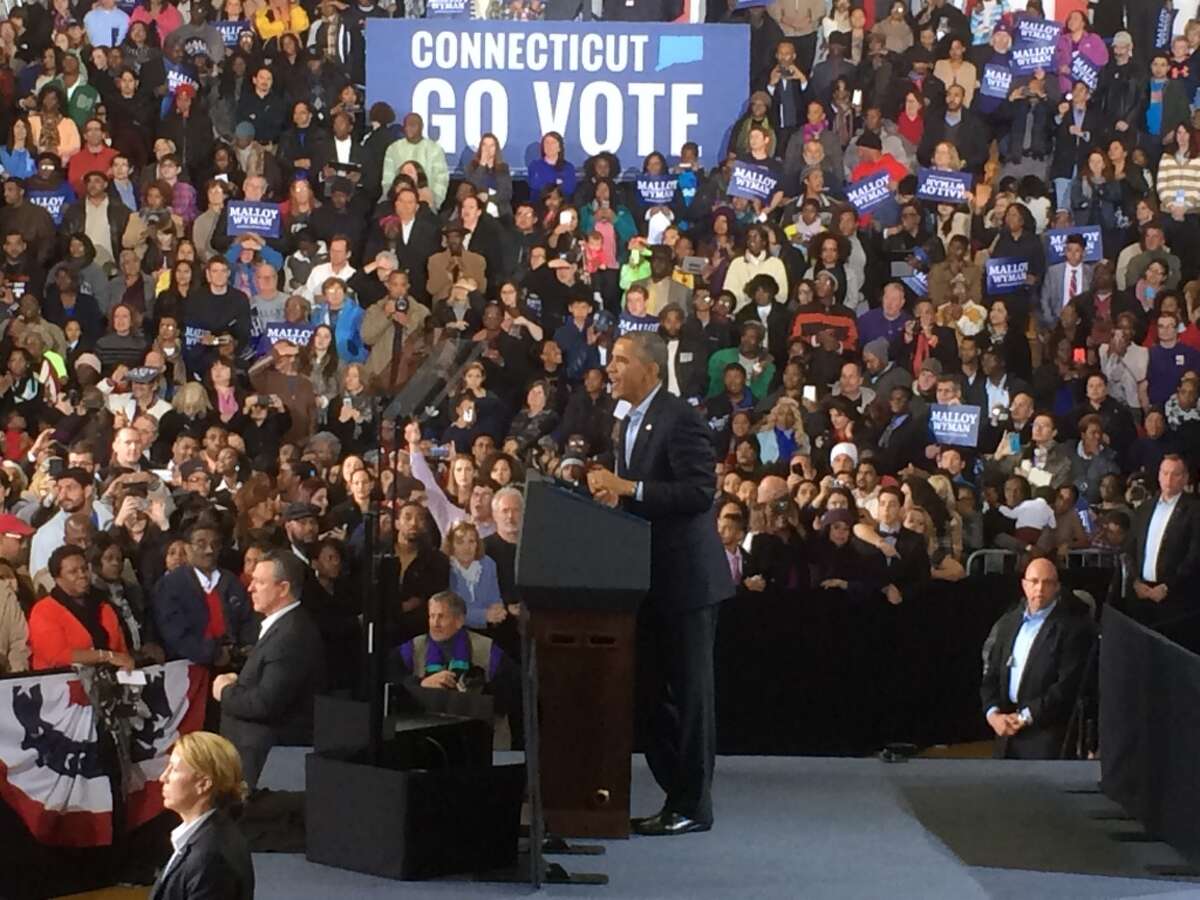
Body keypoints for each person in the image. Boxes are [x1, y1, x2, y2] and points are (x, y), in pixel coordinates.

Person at [586, 332, 732, 835]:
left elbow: (699, 491)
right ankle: (677, 794)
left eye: (621, 361)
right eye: (611, 361)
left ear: (650, 370)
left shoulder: (679, 417)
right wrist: (615, 499)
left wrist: (628, 487)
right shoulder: (623, 418)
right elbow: (641, 498)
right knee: (648, 695)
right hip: (647, 580)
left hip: (688, 581)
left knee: (691, 699)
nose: (612, 369)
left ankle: (694, 805)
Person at [213, 550, 326, 791]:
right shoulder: (283, 627)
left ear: (283, 588)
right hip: (256, 758)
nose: (250, 588)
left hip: (268, 766)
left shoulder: (292, 635)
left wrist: (225, 691)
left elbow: (266, 703)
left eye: (260, 582)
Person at [980, 557, 1095, 759]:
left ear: (1057, 587)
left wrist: (1024, 717)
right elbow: (991, 674)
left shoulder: (1072, 629)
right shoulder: (1008, 623)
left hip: (1044, 737)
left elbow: (1065, 687)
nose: (1040, 589)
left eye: (1047, 582)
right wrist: (993, 714)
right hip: (1005, 735)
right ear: (1024, 585)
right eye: (1034, 582)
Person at [155, 730, 255, 900]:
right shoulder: (211, 834)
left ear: (203, 784)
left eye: (175, 769)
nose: (163, 777)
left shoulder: (209, 860)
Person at [28, 544, 134, 670]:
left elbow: (121, 650)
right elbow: (57, 656)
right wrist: (106, 656)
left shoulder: (103, 605)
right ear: (57, 578)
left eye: (84, 569)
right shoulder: (44, 611)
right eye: (73, 572)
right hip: (61, 684)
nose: (82, 575)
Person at [1126, 455, 1200, 626]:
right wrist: (1135, 581)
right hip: (1142, 593)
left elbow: (1194, 555)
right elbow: (1130, 548)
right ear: (1159, 475)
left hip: (1177, 597)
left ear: (1185, 478)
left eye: (1175, 474)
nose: (1169, 479)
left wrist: (1168, 587)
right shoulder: (1144, 508)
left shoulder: (1195, 510)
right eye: (1165, 473)